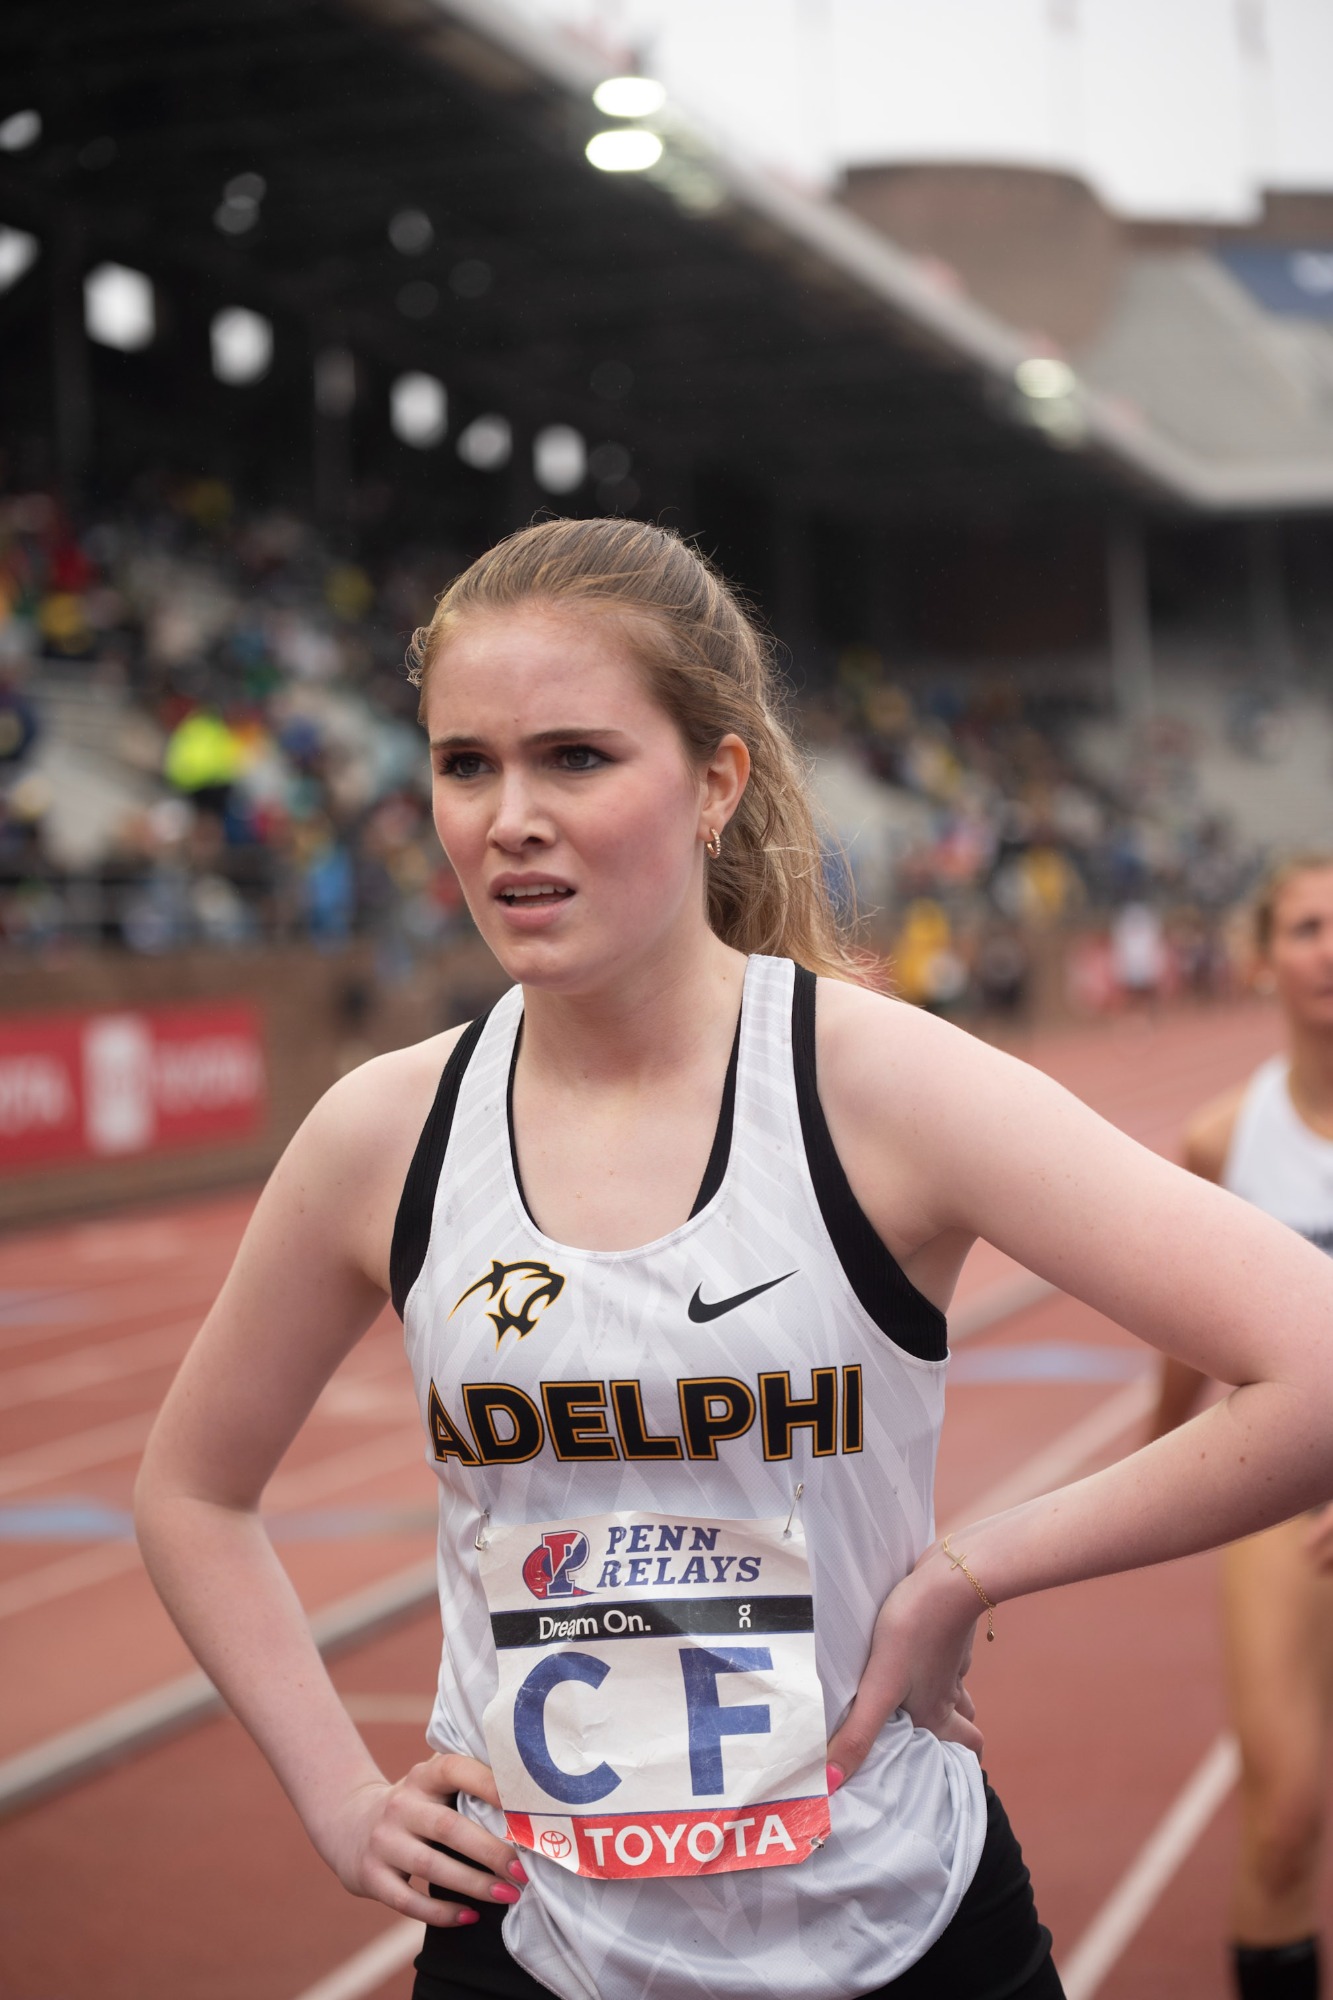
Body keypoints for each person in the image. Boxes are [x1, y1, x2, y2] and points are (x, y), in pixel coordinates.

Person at [136, 521, 1333, 2000]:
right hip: (532, 1938)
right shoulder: (383, 1132)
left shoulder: (877, 1088)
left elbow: (1316, 1365)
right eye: (465, 764)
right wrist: (335, 1798)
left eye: (576, 757)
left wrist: (968, 1569)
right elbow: (190, 1490)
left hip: (901, 1931)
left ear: (717, 780)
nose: (510, 817)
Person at [1150, 853, 1333, 2000]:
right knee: (1282, 1818)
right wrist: (1159, 1460)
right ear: (1263, 957)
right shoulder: (1224, 1137)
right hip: (1284, 1494)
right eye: (1310, 926)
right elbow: (1187, 1324)